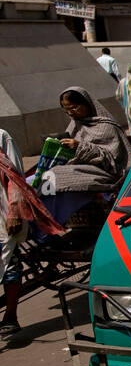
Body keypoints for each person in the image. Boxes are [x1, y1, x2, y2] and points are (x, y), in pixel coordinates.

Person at [0, 129, 63, 340]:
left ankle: (10, 317)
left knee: (9, 265)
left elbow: (16, 178)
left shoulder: (2, 137)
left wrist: (15, 212)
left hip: (4, 214)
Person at [43, 87, 131, 221]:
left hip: (105, 172)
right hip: (80, 167)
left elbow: (114, 160)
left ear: (87, 104)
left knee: (55, 176)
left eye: (73, 108)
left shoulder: (106, 127)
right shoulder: (75, 124)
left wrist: (80, 147)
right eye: (66, 110)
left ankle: (51, 223)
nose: (70, 113)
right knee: (43, 176)